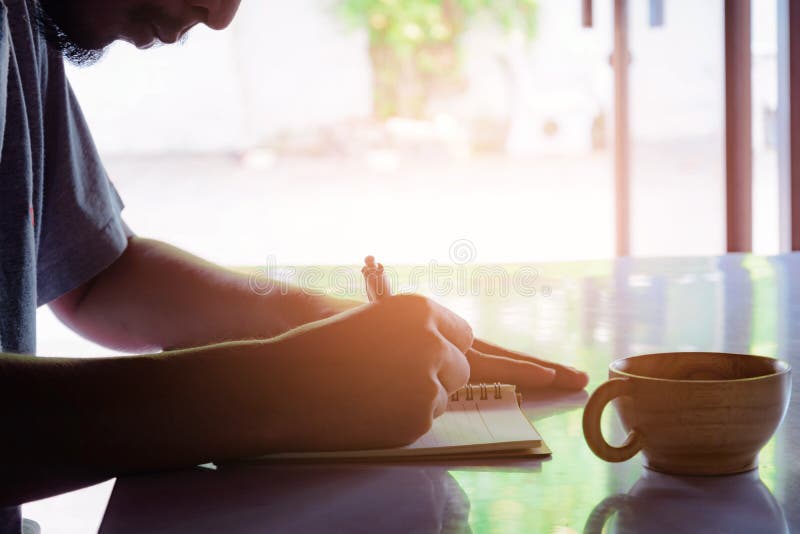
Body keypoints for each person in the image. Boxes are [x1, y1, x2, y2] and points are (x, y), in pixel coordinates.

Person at [0, 0, 588, 505]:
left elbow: (97, 275)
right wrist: (269, 396)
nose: (221, 14)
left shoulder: (26, 15)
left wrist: (331, 328)